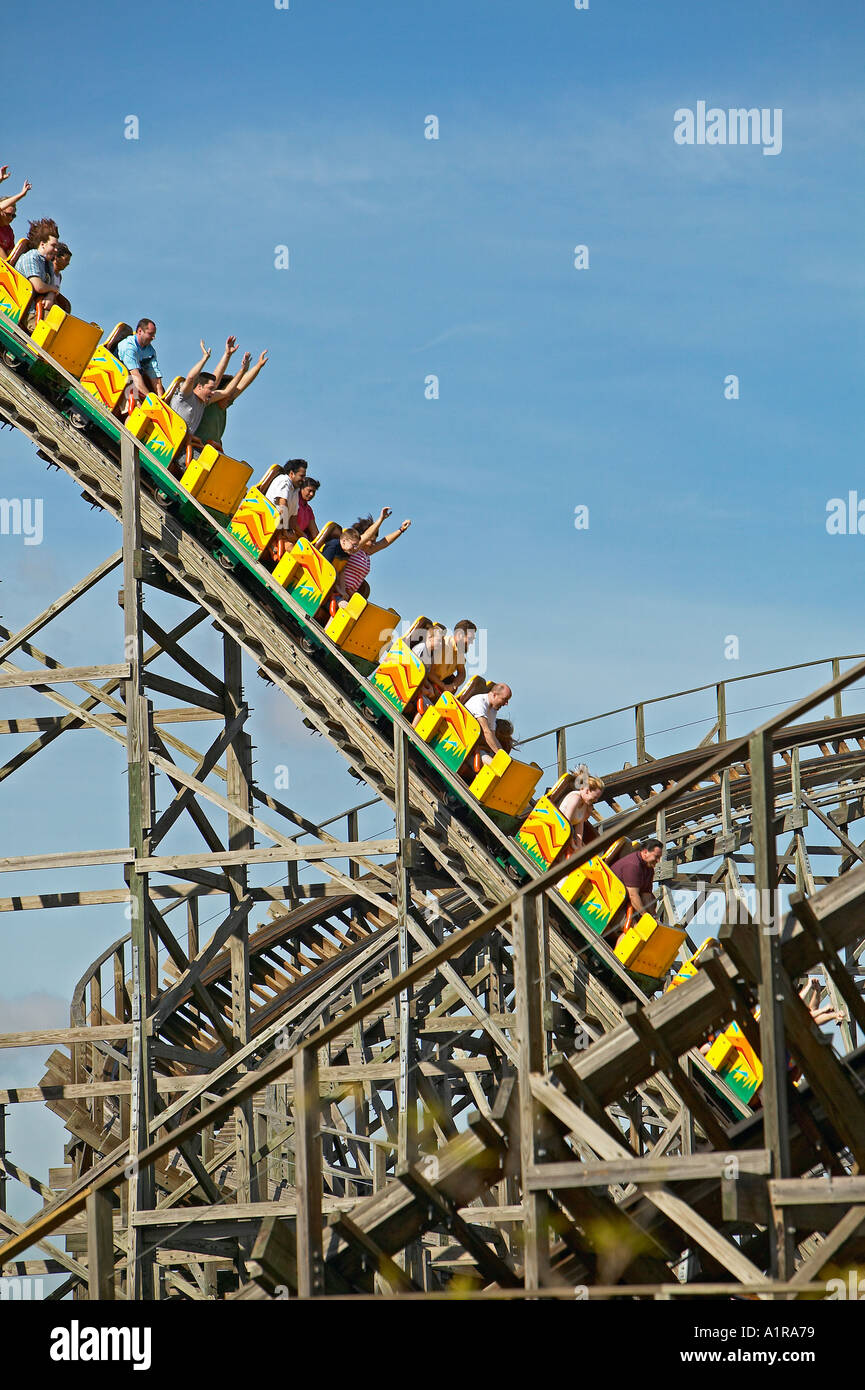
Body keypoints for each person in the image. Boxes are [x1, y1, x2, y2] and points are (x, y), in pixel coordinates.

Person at [166, 336, 239, 458]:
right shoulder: (186, 396)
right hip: (170, 443)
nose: (212, 392)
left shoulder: (203, 402)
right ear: (199, 387)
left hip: (184, 445)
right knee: (206, 463)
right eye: (210, 389)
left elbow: (226, 392)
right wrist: (205, 358)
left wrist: (228, 355)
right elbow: (190, 378)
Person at [330, 509, 411, 604]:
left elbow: (384, 543)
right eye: (371, 541)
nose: (374, 543)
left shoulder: (366, 554)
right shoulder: (353, 549)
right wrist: (381, 519)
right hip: (338, 590)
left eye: (375, 540)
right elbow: (367, 535)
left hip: (348, 595)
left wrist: (401, 530)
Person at [199, 348, 269, 451]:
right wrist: (227, 354)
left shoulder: (222, 406)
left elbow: (240, 387)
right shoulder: (207, 402)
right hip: (196, 447)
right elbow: (215, 380)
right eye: (229, 392)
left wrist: (257, 366)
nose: (230, 397)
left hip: (211, 452)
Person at [17, 219, 65, 328]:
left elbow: (51, 288)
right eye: (53, 246)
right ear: (43, 244)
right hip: (28, 311)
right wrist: (53, 289)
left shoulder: (48, 264)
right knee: (58, 329)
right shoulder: (31, 257)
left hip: (42, 310)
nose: (56, 250)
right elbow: (38, 286)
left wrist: (51, 294)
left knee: (67, 325)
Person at [263, 459, 308, 561]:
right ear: (292, 473)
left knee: (301, 547)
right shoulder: (284, 481)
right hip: (271, 523)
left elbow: (293, 520)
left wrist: (303, 537)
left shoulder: (295, 490)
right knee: (291, 548)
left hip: (281, 527)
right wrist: (286, 530)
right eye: (301, 476)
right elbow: (282, 506)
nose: (303, 479)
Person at [609, 839, 663, 917]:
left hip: (627, 900)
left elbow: (646, 895)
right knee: (632, 923)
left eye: (659, 857)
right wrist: (645, 916)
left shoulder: (649, 868)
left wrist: (653, 916)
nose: (658, 861)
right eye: (656, 857)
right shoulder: (633, 865)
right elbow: (633, 895)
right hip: (613, 900)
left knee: (652, 900)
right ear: (645, 852)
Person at [559, 769, 605, 856]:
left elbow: (579, 825)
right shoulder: (575, 798)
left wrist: (579, 845)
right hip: (560, 831)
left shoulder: (584, 803)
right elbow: (566, 822)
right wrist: (573, 844)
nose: (596, 800)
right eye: (595, 797)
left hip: (567, 835)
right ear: (587, 790)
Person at [117, 319, 164, 405]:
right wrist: (151, 399)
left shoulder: (150, 351)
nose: (153, 338)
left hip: (133, 382)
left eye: (154, 335)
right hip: (119, 378)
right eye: (150, 334)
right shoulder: (129, 347)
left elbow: (155, 379)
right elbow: (135, 376)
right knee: (137, 403)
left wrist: (161, 401)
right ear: (139, 331)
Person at [465, 683, 512, 766]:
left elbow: (492, 736)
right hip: (466, 743)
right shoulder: (479, 703)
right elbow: (486, 732)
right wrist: (500, 755)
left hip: (476, 744)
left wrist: (503, 755)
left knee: (496, 759)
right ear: (494, 695)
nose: (506, 703)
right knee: (494, 764)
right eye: (505, 699)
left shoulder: (492, 711)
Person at [427, 618, 478, 695]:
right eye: (470, 638)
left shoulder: (459, 653)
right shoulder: (442, 645)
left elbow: (462, 673)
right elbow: (428, 671)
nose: (471, 642)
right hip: (424, 681)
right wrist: (443, 686)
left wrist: (453, 685)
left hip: (435, 687)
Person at [0, 177, 31, 258]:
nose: (10, 218)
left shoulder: (9, 231)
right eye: (8, 214)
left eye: (13, 215)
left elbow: (11, 254)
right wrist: (21, 195)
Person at [295, 477, 320, 541]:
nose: (311, 494)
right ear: (301, 488)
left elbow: (315, 533)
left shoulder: (308, 510)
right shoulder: (293, 501)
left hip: (300, 540)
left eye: (313, 492)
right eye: (309, 491)